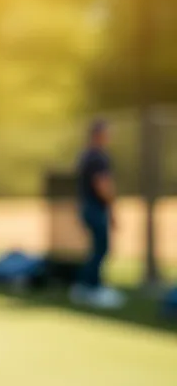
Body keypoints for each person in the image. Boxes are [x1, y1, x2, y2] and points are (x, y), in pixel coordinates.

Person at [70, 118, 124, 309]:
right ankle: (91, 288)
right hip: (95, 208)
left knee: (96, 249)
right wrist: (113, 210)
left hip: (87, 207)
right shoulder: (98, 157)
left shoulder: (85, 155)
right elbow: (102, 186)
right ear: (99, 135)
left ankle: (86, 285)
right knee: (101, 248)